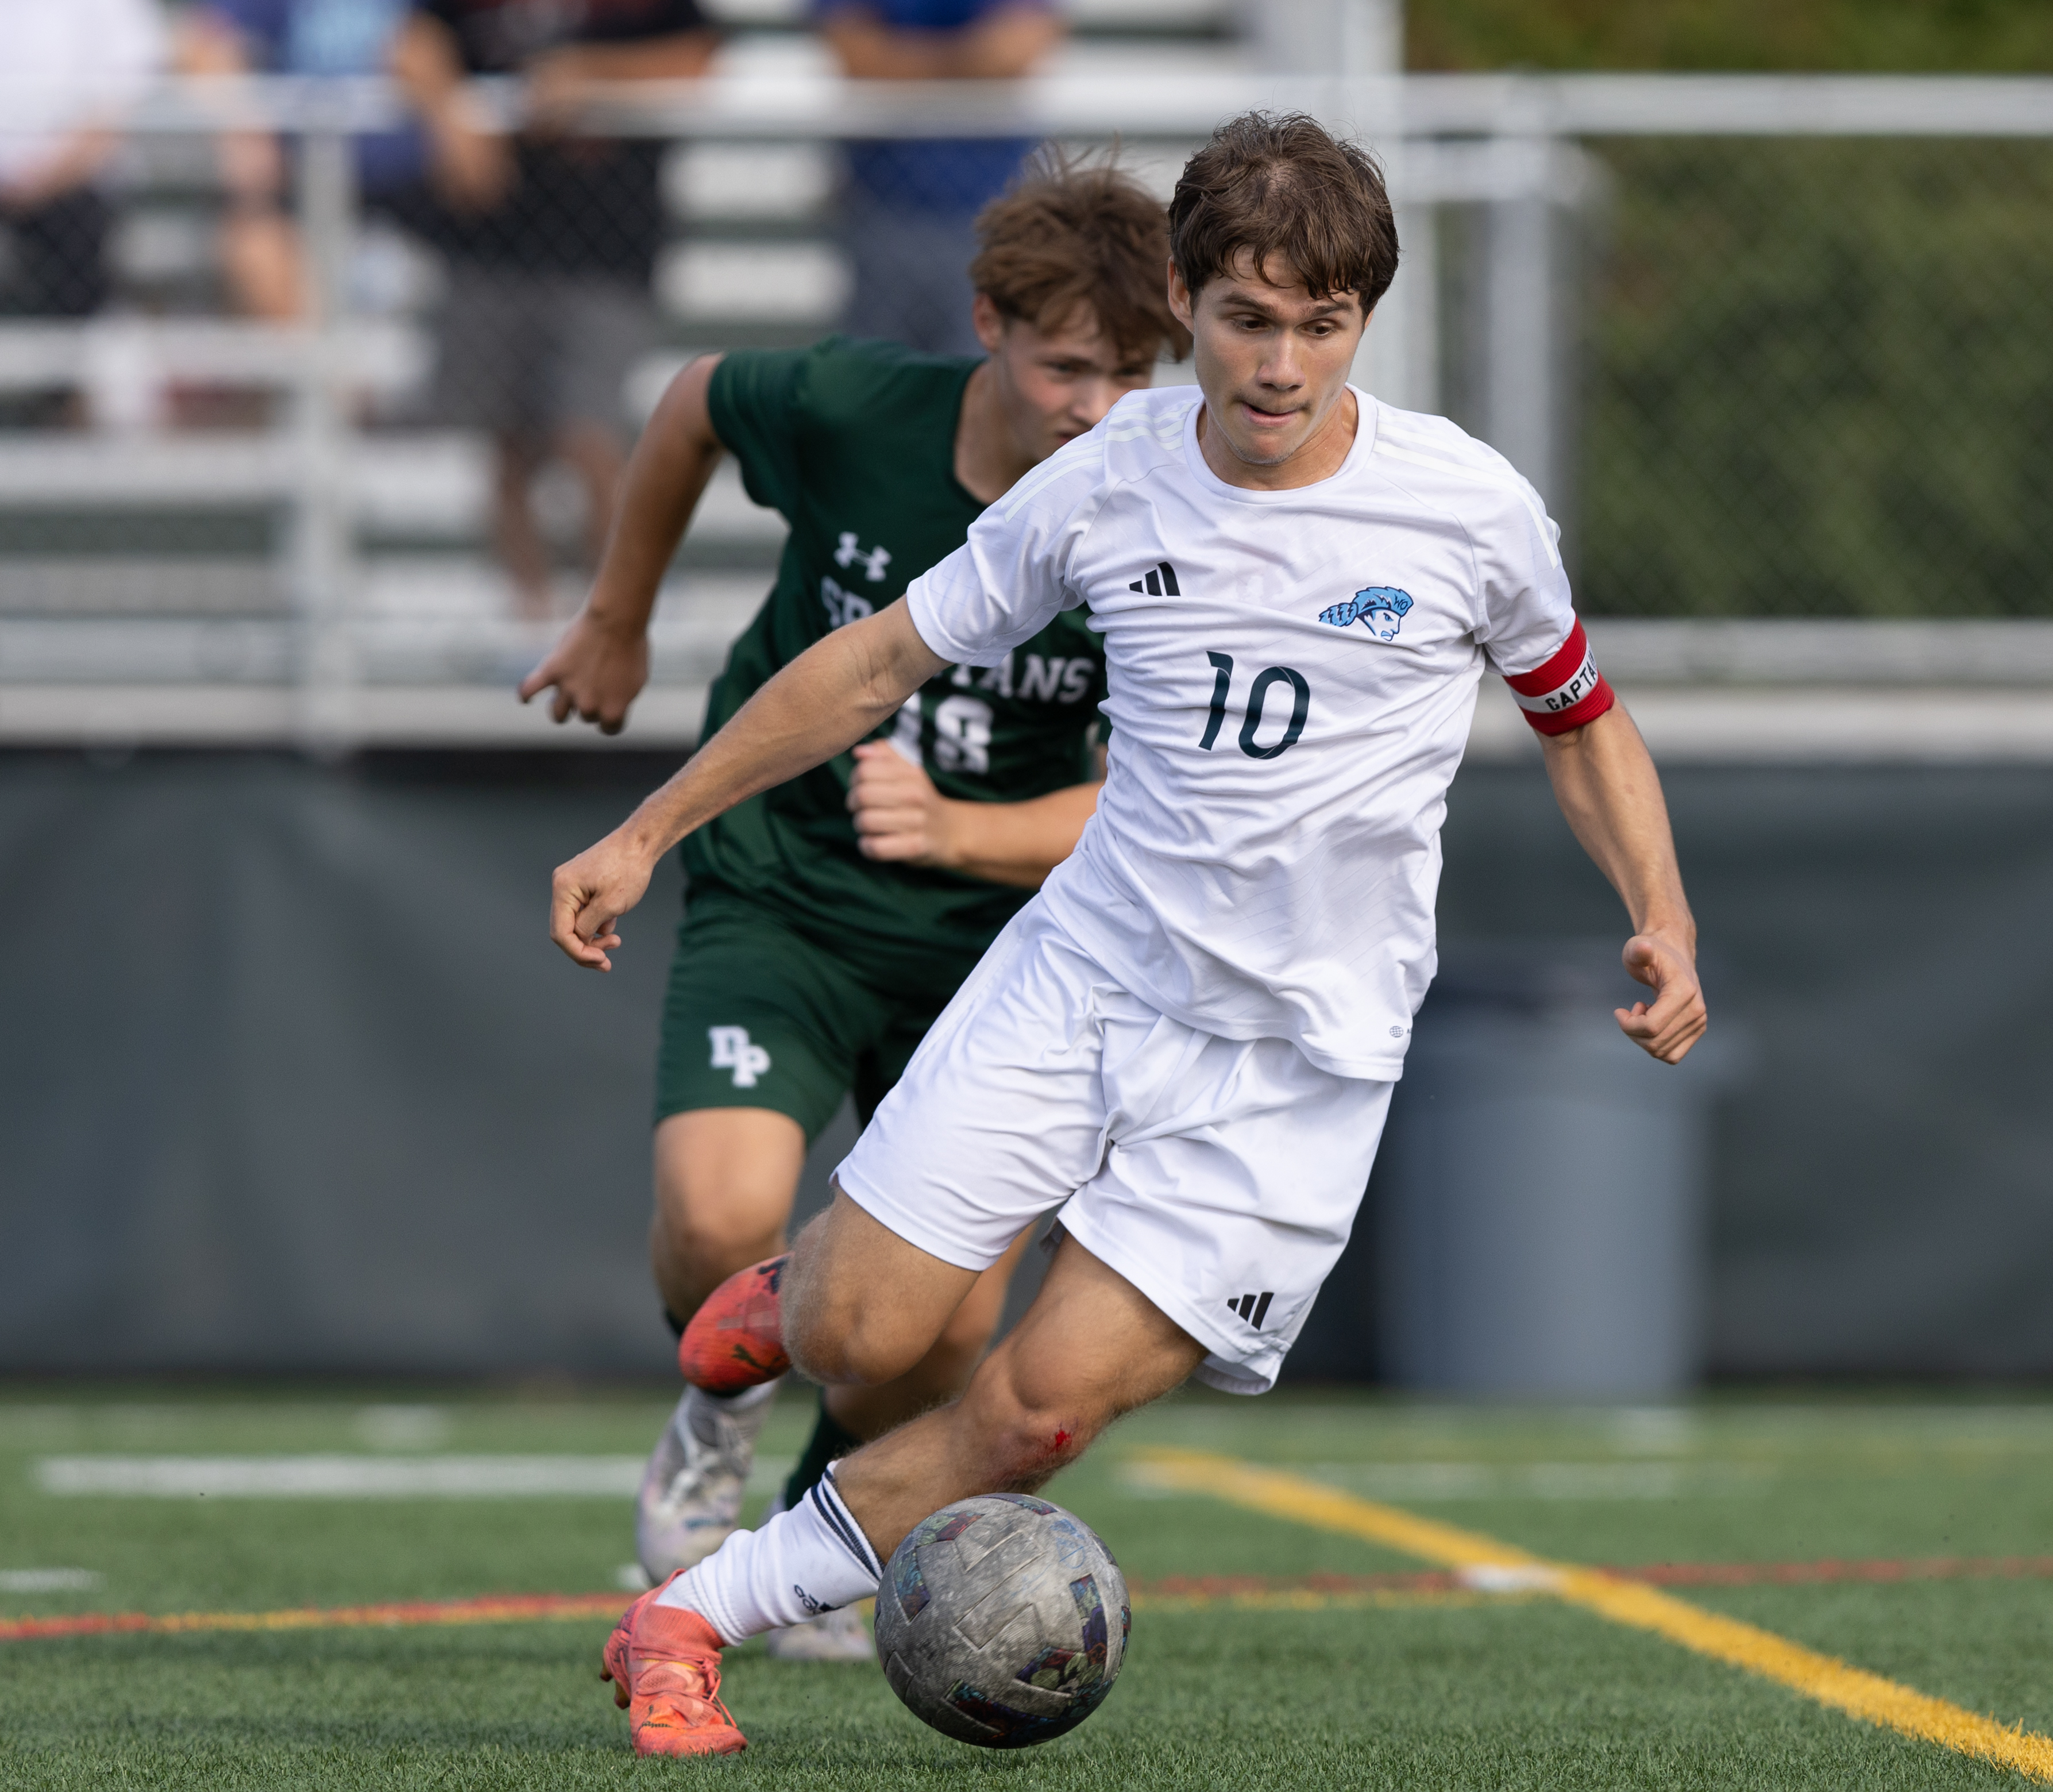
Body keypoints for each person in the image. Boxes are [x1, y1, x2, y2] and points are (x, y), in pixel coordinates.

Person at [550, 111, 1705, 1756]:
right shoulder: (1107, 474)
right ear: (1185, 298)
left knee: (1030, 1412)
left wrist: (1656, 917)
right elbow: (877, 662)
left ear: (1362, 318)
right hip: (1081, 984)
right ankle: (790, 1294)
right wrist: (644, 827)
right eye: (1246, 317)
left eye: (1322, 323)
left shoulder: (1467, 508)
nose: (1281, 363)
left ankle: (689, 1611)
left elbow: (1579, 718)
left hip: (1295, 1067)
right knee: (861, 1332)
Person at [518, 154, 1183, 1659]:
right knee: (719, 1211)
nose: (1093, 401)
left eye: (1128, 371)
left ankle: (815, 1531)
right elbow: (692, 397)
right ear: (987, 324)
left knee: (939, 1327)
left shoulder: (1169, 513)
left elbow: (1163, 793)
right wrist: (616, 614)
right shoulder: (853, 406)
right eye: (1064, 362)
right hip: (788, 890)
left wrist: (967, 828)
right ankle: (715, 1407)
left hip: (1001, 947)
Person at [391, 0, 719, 616]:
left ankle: (619, 616)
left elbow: (697, 59)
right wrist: (449, 115)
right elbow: (413, 41)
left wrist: (590, 75)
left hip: (606, 251)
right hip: (491, 242)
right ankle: (530, 617)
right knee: (508, 446)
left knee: (587, 435)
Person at [820, 0, 1063, 354]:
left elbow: (1013, 51)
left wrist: (903, 63)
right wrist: (970, 63)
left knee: (980, 373)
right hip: (883, 210)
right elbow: (861, 58)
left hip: (995, 212)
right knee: (879, 379)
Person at [177, 0, 422, 323]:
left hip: (416, 193)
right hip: (297, 189)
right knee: (257, 250)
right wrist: (244, 129)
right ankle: (321, 371)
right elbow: (204, 43)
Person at [0, 0, 161, 423]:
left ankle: (55, 401)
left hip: (72, 192)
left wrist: (41, 180)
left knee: (79, 240)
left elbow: (117, 108)